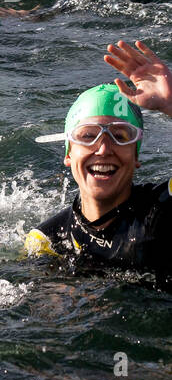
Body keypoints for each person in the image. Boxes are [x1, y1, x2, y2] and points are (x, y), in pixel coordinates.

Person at [24, 39, 172, 285]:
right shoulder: (48, 241)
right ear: (69, 154)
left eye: (121, 136)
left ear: (136, 156)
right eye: (88, 135)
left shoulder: (164, 211)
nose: (104, 149)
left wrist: (170, 104)